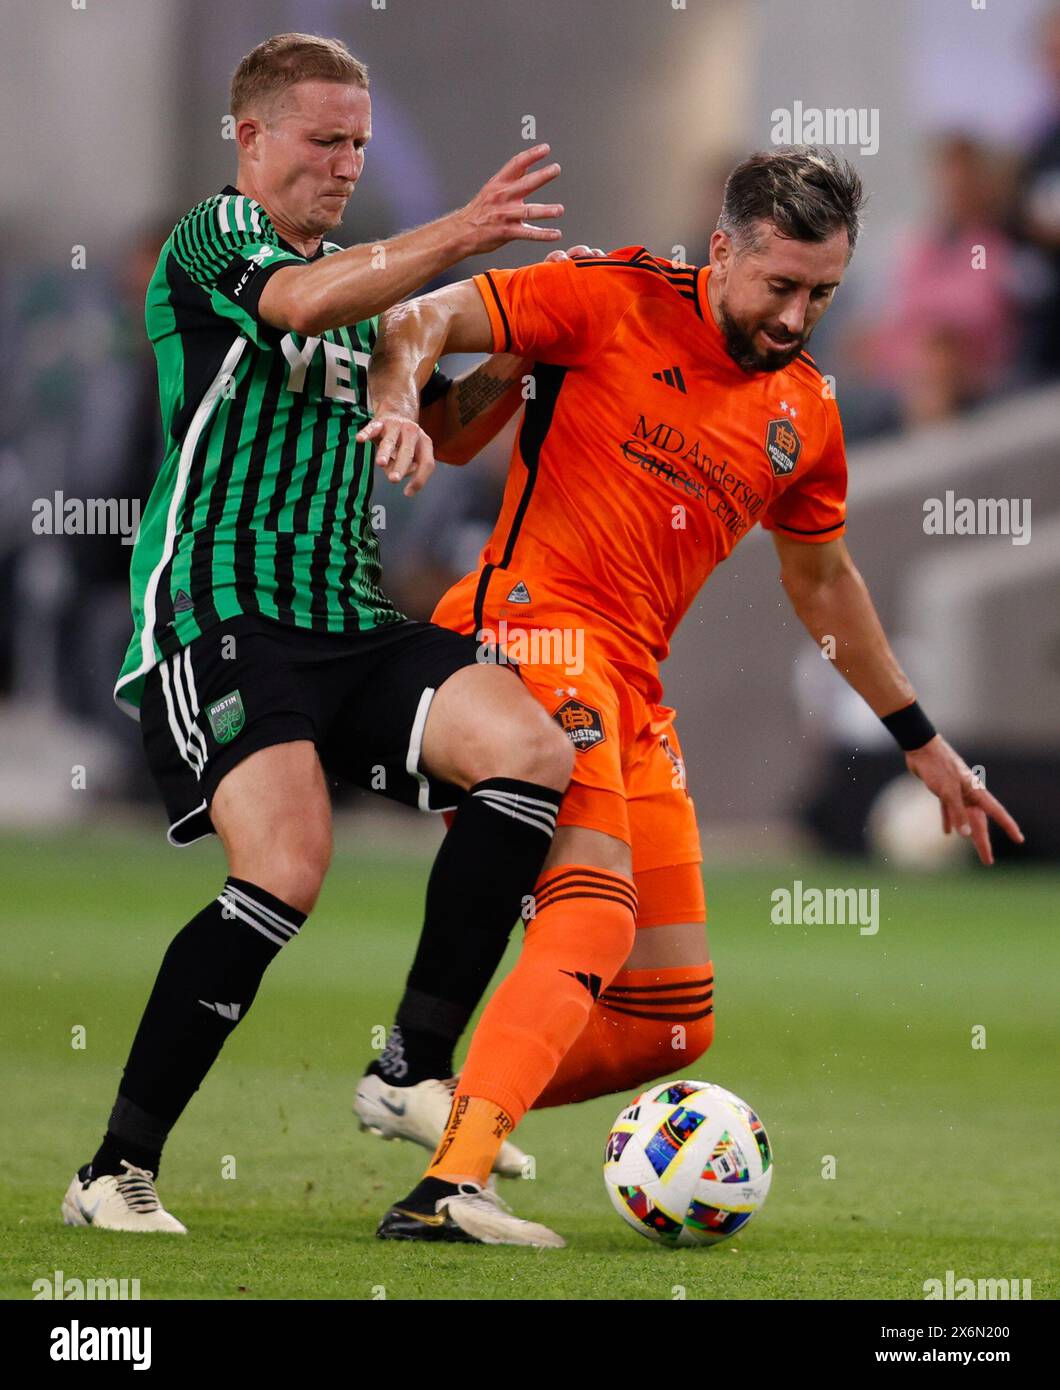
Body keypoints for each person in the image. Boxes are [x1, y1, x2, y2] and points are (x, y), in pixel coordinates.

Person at [356, 146, 1024, 1247]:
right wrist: (400, 407)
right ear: (722, 251)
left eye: (822, 293)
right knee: (591, 909)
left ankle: (416, 1081)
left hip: (629, 682)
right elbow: (415, 322)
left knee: (667, 1026)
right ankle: (447, 1188)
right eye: (780, 285)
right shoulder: (605, 295)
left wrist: (922, 739)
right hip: (526, 629)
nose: (797, 313)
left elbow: (822, 582)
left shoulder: (804, 412)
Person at [61, 31, 578, 1243]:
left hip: (349, 613)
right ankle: (113, 1169)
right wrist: (457, 238)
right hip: (221, 607)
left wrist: (516, 360)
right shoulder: (216, 240)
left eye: (357, 142)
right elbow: (296, 302)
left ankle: (409, 1064)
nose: (345, 164)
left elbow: (440, 431)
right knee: (285, 869)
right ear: (249, 137)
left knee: (532, 751)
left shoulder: (369, 278)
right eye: (322, 140)